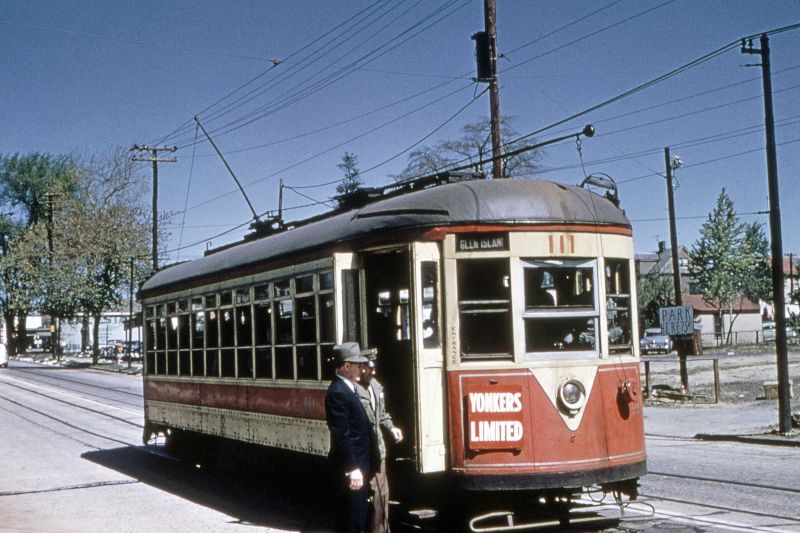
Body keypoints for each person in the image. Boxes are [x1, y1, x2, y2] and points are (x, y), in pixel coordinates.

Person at [325, 342, 379, 533]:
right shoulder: (338, 392)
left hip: (361, 464)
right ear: (346, 366)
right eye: (357, 365)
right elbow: (342, 435)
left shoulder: (350, 389)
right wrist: (352, 469)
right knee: (350, 520)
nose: (361, 369)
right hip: (352, 468)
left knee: (359, 517)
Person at [357, 351, 403, 533]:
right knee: (362, 496)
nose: (373, 372)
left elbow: (382, 414)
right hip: (362, 451)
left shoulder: (376, 386)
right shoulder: (353, 390)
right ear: (360, 367)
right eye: (369, 368)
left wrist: (391, 427)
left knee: (382, 495)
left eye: (374, 368)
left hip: (378, 449)